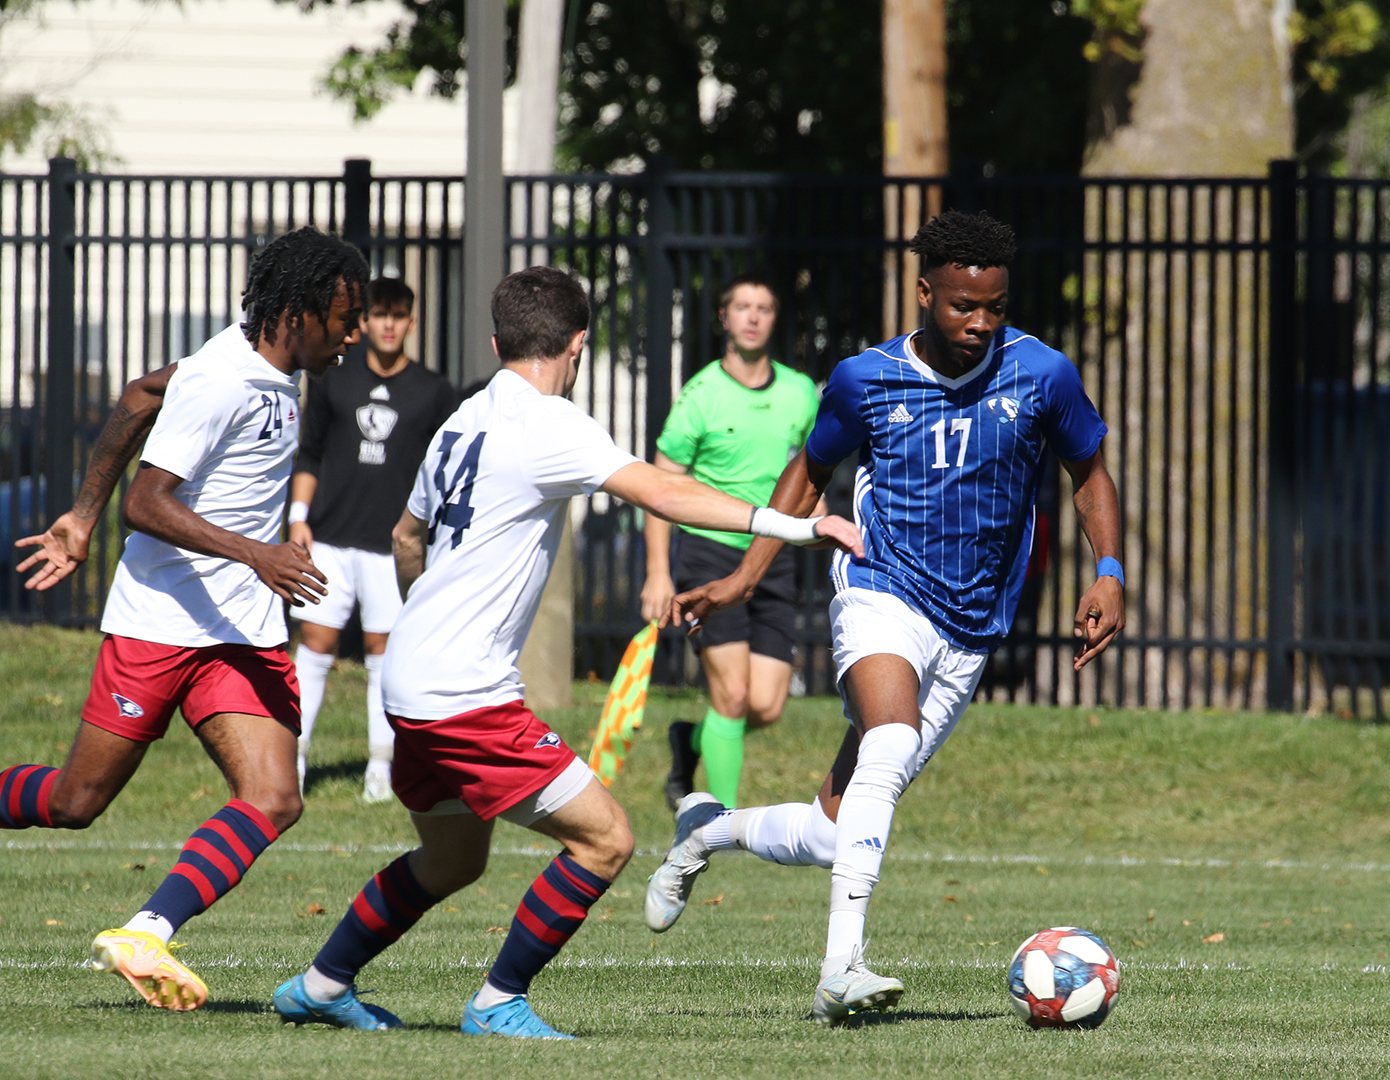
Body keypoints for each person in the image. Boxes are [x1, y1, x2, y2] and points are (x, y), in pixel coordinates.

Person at [270, 266, 861, 1039]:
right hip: (463, 695)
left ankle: (321, 984)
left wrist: (430, 616)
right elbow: (662, 492)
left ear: (497, 344)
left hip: (410, 680)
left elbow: (405, 537)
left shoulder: (462, 417)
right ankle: (497, 1001)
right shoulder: (551, 424)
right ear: (577, 344)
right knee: (607, 838)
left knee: (451, 861)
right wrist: (798, 526)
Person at [642, 211, 1125, 1024]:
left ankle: (705, 831)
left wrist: (1109, 571)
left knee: (834, 832)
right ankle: (841, 970)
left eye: (996, 308)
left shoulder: (1044, 374)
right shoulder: (864, 379)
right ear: (925, 292)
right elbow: (808, 473)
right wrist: (743, 577)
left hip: (970, 629)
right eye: (963, 306)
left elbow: (1090, 472)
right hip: (881, 589)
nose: (980, 324)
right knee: (890, 741)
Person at [2, 227, 365, 1010]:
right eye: (345, 317)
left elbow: (140, 393)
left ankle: (146, 932)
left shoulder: (261, 367)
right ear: (300, 312)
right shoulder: (222, 380)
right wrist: (254, 553)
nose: (354, 333)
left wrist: (79, 516)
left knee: (275, 796)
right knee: (75, 803)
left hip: (237, 633)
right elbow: (147, 501)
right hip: (161, 624)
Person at [641, 271, 821, 812]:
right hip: (710, 554)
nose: (752, 317)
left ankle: (689, 740)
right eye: (742, 306)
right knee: (734, 695)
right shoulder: (701, 395)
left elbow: (812, 472)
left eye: (763, 307)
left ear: (774, 319)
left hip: (773, 555)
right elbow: (660, 487)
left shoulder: (800, 393)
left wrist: (819, 522)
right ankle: (718, 822)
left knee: (764, 705)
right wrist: (658, 571)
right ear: (724, 317)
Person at [288, 276, 457, 801]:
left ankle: (381, 766)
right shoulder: (334, 378)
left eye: (398, 316)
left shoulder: (433, 391)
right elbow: (310, 452)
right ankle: (293, 757)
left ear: (411, 322)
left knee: (383, 652)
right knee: (315, 643)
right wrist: (298, 518)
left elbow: (441, 471)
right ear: (364, 322)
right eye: (379, 315)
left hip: (391, 546)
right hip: (330, 538)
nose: (388, 325)